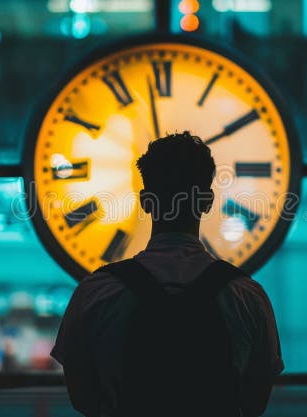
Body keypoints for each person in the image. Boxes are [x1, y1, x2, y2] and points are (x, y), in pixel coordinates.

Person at [51, 132, 283, 417]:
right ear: (207, 201)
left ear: (146, 201)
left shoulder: (96, 292)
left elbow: (83, 398)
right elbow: (254, 403)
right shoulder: (247, 296)